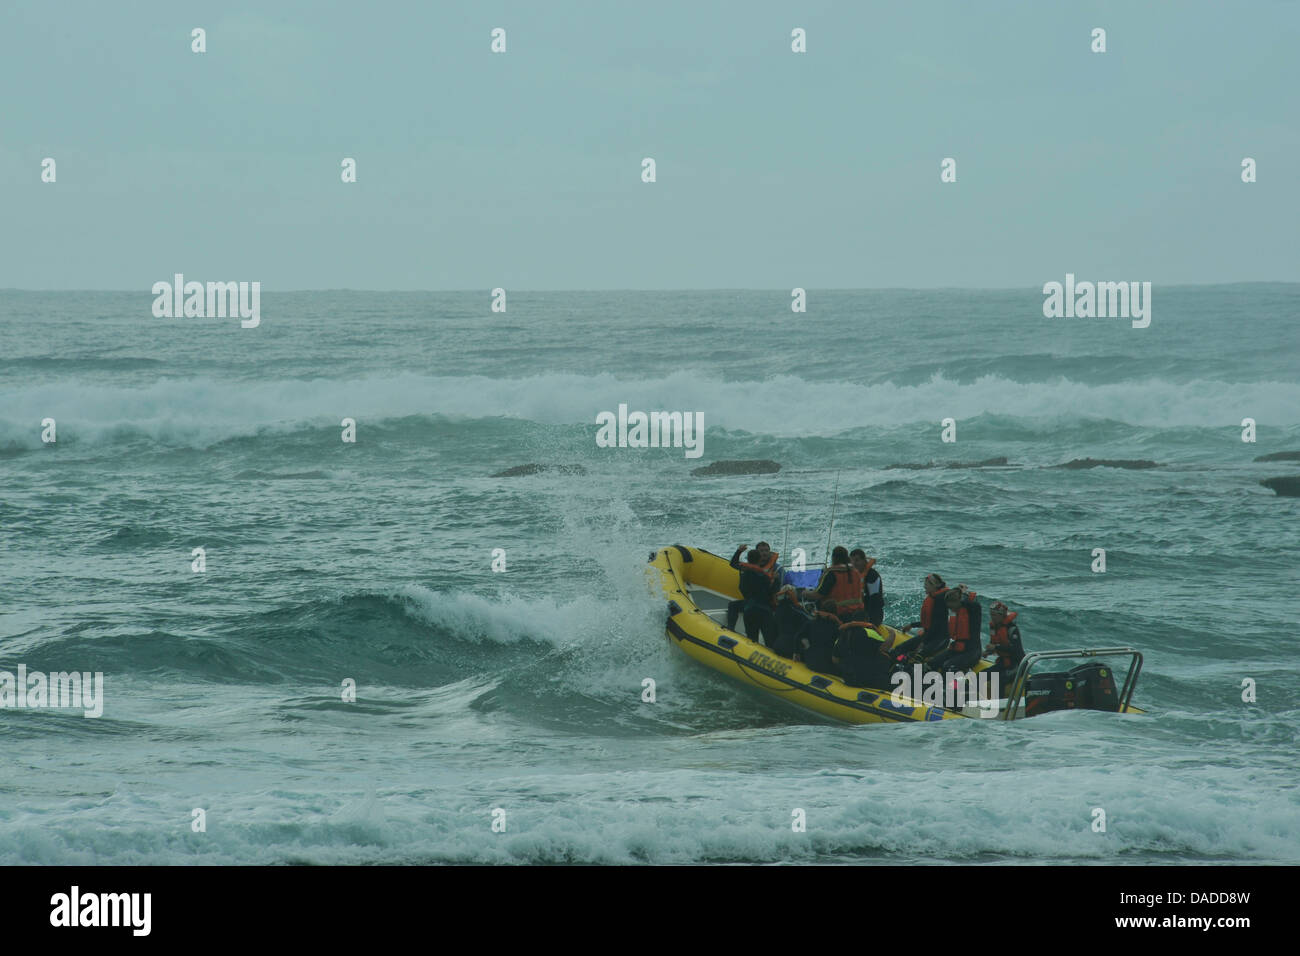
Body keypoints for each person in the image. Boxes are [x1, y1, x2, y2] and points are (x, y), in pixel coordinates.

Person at [892, 573, 950, 661]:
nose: (924, 587)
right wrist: (912, 625)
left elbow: (936, 626)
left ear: (934, 586)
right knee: (898, 650)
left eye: (926, 585)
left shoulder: (939, 600)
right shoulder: (933, 598)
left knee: (916, 657)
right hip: (930, 635)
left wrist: (923, 643)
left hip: (939, 639)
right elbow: (929, 622)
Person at [927, 585, 983, 673]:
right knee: (931, 663)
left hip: (972, 652)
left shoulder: (973, 609)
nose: (951, 609)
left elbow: (973, 603)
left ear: (958, 601)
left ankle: (957, 685)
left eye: (951, 606)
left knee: (948, 667)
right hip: (957, 649)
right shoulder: (958, 611)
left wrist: (963, 593)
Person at [728, 548, 779, 645]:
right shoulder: (765, 576)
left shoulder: (744, 571)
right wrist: (775, 580)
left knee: (752, 639)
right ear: (760, 560)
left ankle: (730, 629)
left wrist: (739, 551)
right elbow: (772, 592)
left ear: (747, 559)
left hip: (750, 609)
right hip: (765, 610)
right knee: (770, 641)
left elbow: (733, 564)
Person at [800, 546, 864, 622]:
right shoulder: (856, 573)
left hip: (836, 614)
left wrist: (804, 593)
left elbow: (818, 595)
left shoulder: (831, 574)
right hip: (857, 614)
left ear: (833, 558)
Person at [834, 620, 898, 689]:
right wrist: (892, 634)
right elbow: (884, 648)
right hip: (869, 678)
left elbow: (835, 660)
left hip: (850, 676)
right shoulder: (870, 633)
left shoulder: (842, 636)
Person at [983, 601, 1025, 687]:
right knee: (980, 676)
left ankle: (1001, 700)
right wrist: (988, 652)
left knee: (998, 681)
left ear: (1002, 615)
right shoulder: (994, 627)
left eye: (994, 615)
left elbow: (1015, 649)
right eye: (991, 615)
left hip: (1017, 664)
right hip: (1003, 662)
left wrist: (995, 647)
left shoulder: (1012, 629)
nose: (992, 618)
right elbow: (995, 645)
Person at [849, 548, 885, 625]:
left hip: (873, 616)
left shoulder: (872, 576)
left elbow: (875, 599)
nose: (854, 563)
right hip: (859, 613)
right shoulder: (855, 576)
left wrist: (866, 618)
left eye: (857, 560)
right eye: (852, 561)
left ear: (864, 561)